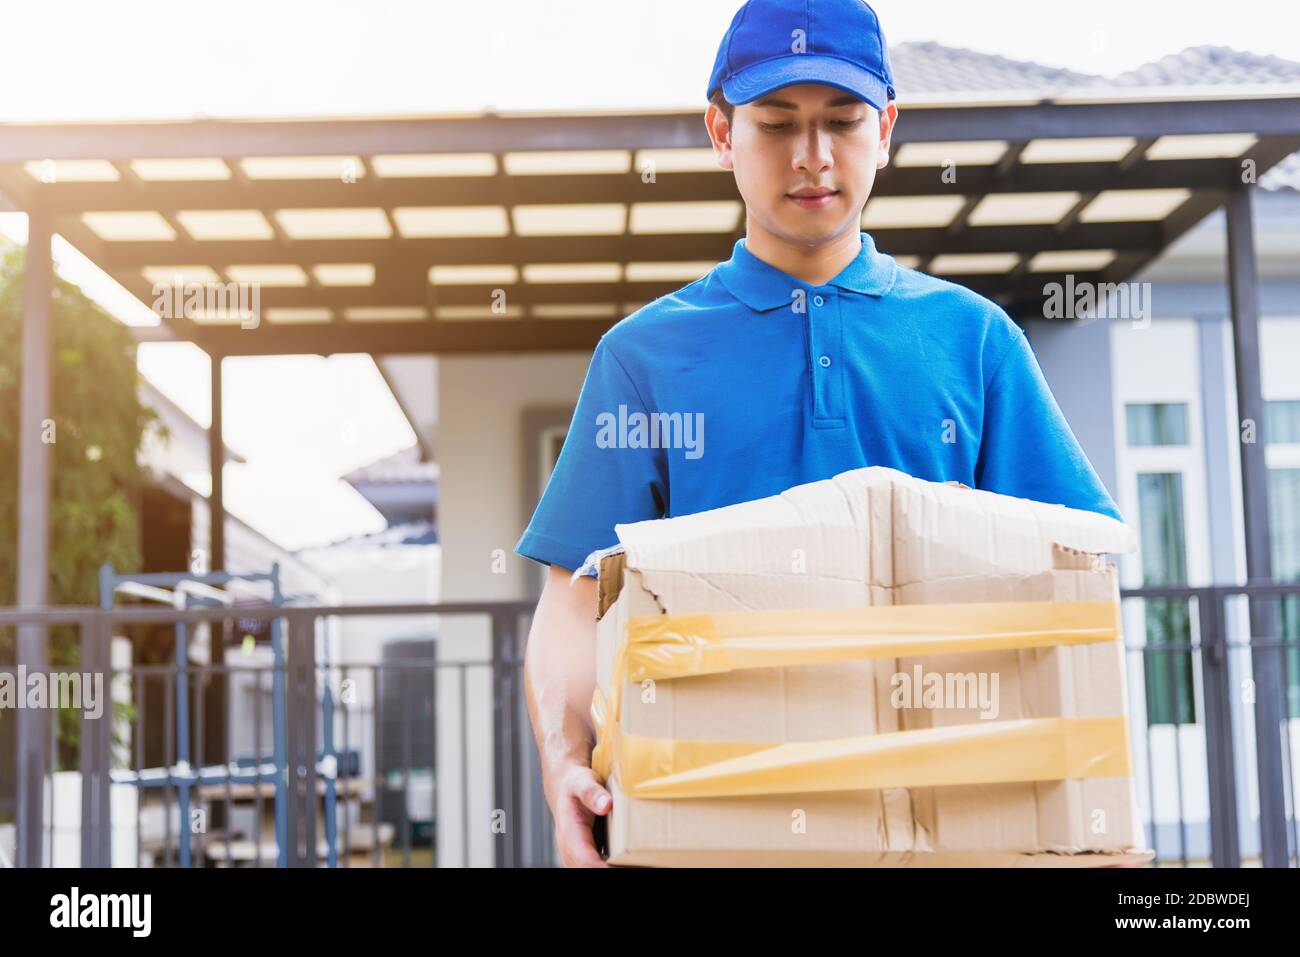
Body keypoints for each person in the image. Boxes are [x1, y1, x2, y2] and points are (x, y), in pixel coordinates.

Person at [515, 0, 1125, 867]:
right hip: (713, 832)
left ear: (887, 130)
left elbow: (1077, 580)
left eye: (842, 121)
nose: (812, 156)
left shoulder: (975, 340)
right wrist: (562, 762)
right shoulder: (645, 357)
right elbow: (574, 600)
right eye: (776, 123)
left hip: (949, 836)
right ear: (721, 132)